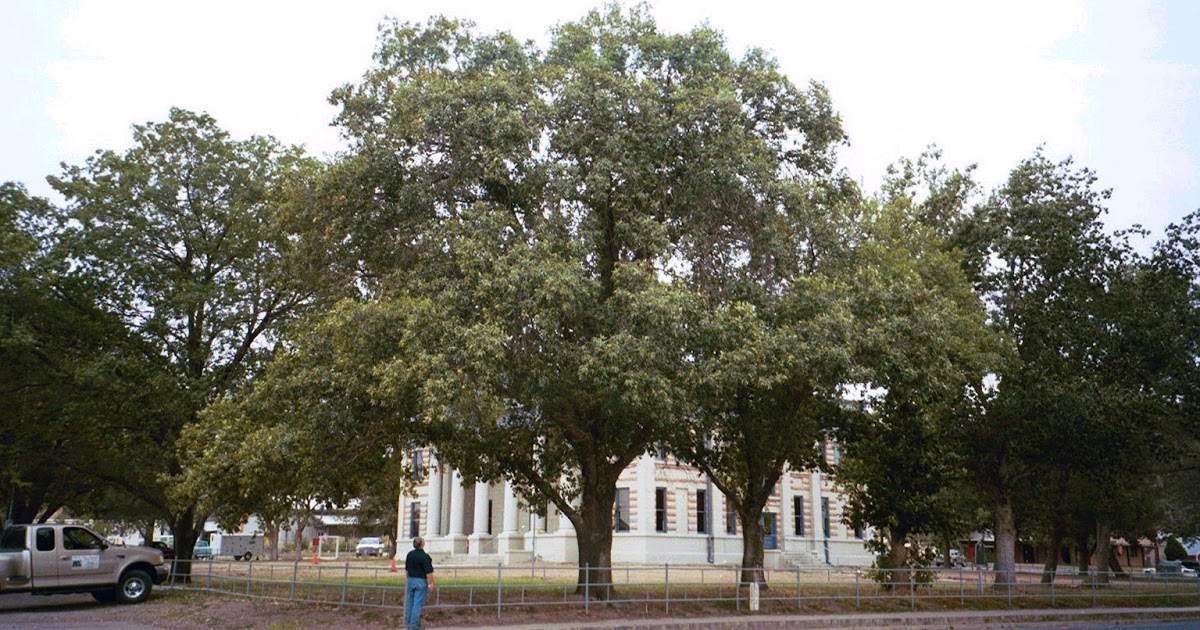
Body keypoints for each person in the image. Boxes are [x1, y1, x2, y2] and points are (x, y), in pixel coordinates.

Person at [404, 536, 435, 630]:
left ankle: (410, 624)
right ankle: (413, 626)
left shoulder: (409, 555)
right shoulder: (425, 557)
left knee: (410, 604)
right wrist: (431, 584)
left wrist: (408, 579)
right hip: (420, 581)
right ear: (422, 544)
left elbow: (407, 570)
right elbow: (429, 573)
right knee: (417, 604)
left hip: (411, 579)